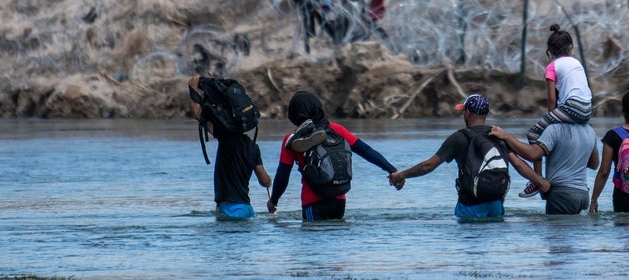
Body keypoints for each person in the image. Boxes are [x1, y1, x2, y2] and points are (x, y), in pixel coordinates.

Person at [388, 93, 540, 219]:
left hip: (470, 205)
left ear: (467, 112)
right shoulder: (497, 134)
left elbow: (428, 165)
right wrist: (542, 183)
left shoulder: (459, 138)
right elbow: (518, 164)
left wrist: (402, 175)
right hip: (496, 204)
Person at [266, 90, 400, 220]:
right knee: (335, 237)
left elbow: (283, 175)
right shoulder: (338, 130)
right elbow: (365, 150)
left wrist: (274, 201)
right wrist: (391, 169)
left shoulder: (292, 140)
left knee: (311, 239)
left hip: (313, 201)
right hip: (339, 198)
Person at [518, 23, 593, 198]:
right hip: (587, 109)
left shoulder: (552, 66)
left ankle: (536, 180)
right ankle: (576, 180)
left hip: (572, 107)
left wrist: (551, 120)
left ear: (549, 51)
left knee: (534, 134)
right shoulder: (576, 63)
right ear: (570, 47)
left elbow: (552, 98)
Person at [187, 75, 272, 219]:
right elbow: (265, 181)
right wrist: (269, 184)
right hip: (247, 208)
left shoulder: (225, 138)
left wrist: (193, 88)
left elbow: (198, 115)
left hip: (230, 210)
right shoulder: (252, 147)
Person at [491, 112, 599, 215]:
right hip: (583, 195)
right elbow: (594, 164)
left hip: (562, 195)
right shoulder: (590, 130)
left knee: (555, 234)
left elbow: (533, 154)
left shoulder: (555, 129)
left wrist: (506, 137)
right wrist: (573, 157)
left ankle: (537, 180)